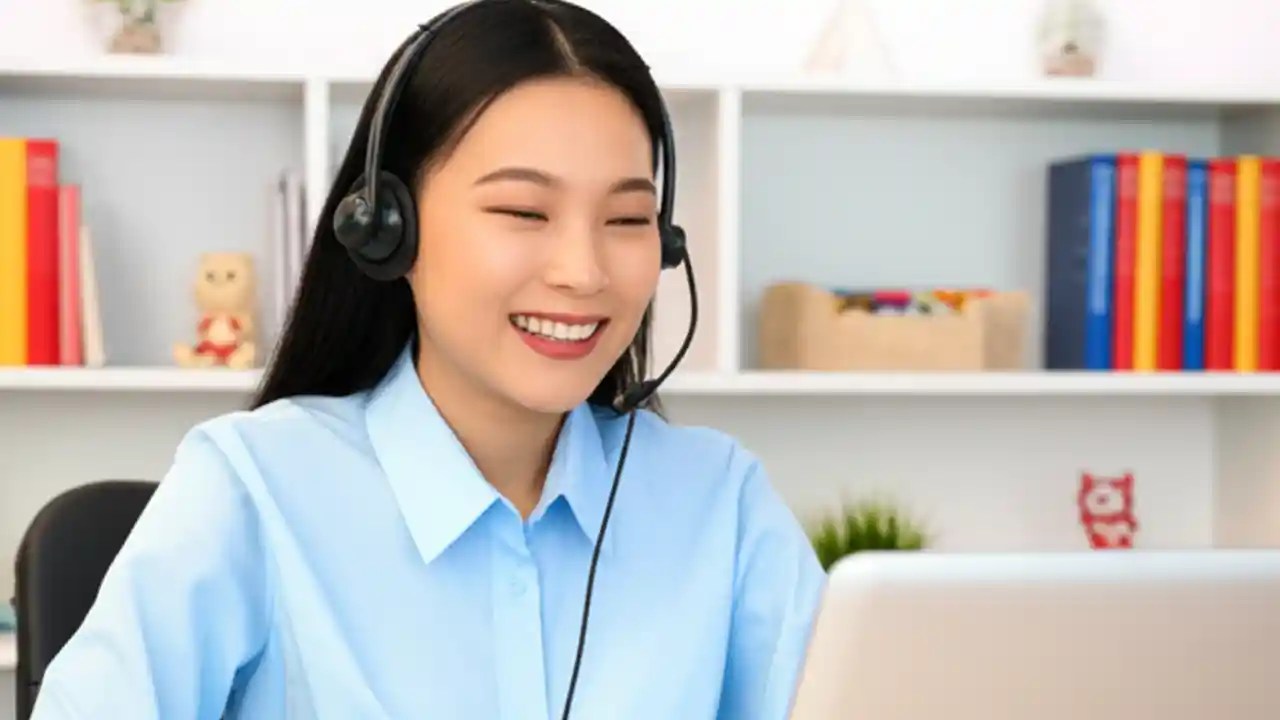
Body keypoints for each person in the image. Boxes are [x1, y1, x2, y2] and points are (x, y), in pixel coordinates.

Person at [29, 1, 826, 718]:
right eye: (523, 210)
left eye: (627, 218)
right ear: (386, 229)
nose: (584, 271)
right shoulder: (252, 492)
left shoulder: (720, 505)